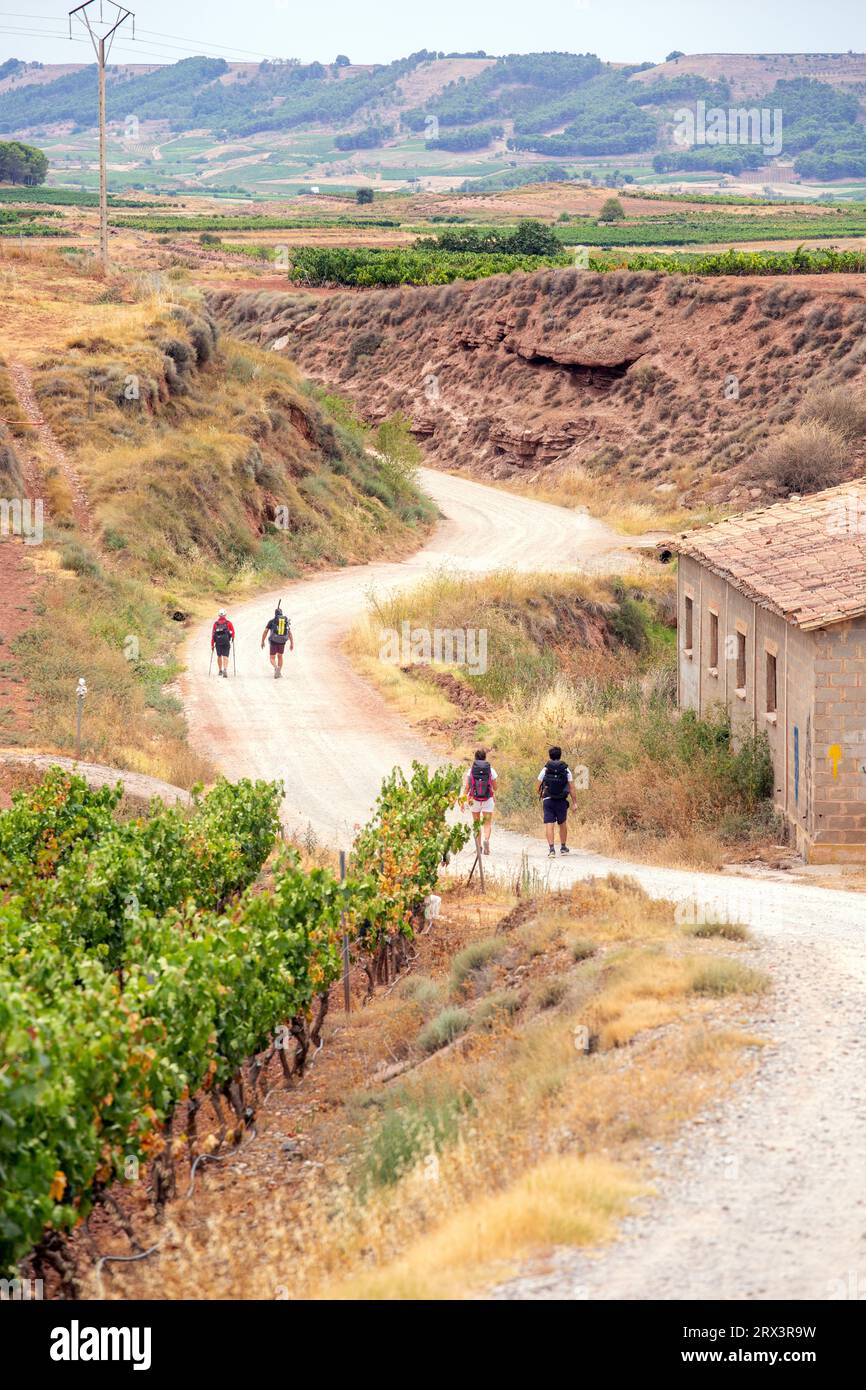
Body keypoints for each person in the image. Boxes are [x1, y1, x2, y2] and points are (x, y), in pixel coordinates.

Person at [537, 745, 576, 856]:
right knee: (562, 823)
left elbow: (537, 785)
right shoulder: (566, 769)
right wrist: (574, 802)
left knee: (549, 824)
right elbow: (572, 787)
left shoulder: (545, 769)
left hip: (548, 799)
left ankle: (551, 849)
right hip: (561, 800)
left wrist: (542, 794)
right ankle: (563, 847)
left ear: (550, 756)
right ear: (560, 755)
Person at [463, 747, 497, 855]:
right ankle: (486, 840)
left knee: (476, 823)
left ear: (475, 758)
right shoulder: (491, 770)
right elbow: (495, 787)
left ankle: (479, 847)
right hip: (488, 799)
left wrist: (463, 800)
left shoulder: (471, 770)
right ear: (485, 757)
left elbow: (467, 787)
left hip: (474, 799)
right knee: (487, 823)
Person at [261, 604, 293, 679]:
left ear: (275, 614)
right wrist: (291, 643)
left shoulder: (272, 621)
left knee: (272, 657)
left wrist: (262, 641)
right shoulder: (285, 621)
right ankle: (279, 671)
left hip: (273, 641)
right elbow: (289, 633)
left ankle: (276, 668)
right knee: (280, 656)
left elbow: (265, 631)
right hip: (282, 641)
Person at [211, 609, 235, 678]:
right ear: (225, 615)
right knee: (225, 656)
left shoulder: (216, 624)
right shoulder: (228, 623)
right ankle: (225, 669)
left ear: (219, 615)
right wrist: (232, 639)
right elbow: (233, 632)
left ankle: (220, 670)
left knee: (219, 656)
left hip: (218, 643)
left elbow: (213, 635)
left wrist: (212, 644)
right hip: (226, 642)